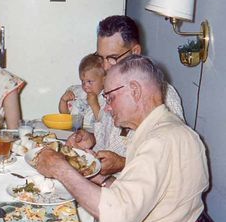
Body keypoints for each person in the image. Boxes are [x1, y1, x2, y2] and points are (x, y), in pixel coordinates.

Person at [37, 54, 209, 222]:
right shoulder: (164, 129)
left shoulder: (160, 141)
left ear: (134, 90)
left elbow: (118, 216)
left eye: (110, 98)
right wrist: (100, 177)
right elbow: (140, 195)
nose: (108, 108)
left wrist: (59, 168)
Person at [68, 15, 184, 176]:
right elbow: (110, 142)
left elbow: (173, 161)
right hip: (107, 184)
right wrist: (91, 140)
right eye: (101, 58)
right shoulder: (108, 91)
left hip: (136, 193)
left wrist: (123, 163)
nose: (106, 67)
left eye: (112, 58)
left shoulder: (163, 96)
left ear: (135, 51)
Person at [58, 54, 105, 128]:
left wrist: (94, 104)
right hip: (74, 131)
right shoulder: (77, 92)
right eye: (83, 81)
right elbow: (65, 115)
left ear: (104, 80)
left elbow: (103, 123)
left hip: (93, 135)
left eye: (89, 81)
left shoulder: (106, 98)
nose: (85, 85)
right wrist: (63, 100)